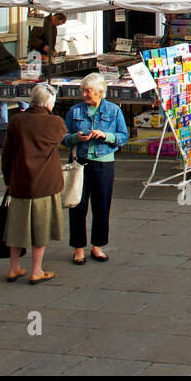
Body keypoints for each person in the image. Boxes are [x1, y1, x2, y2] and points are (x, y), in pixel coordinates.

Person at [0, 83, 66, 284]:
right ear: (48, 102)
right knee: (41, 227)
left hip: (19, 182)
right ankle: (36, 270)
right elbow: (62, 139)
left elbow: (7, 154)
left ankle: (14, 268)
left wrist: (7, 180)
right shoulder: (55, 122)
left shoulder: (17, 121)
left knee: (16, 227)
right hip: (45, 183)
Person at [62, 72, 126, 263]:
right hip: (80, 162)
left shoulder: (114, 110)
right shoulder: (75, 111)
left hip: (104, 163)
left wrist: (106, 136)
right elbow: (64, 137)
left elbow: (123, 135)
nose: (84, 95)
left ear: (100, 91)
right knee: (77, 206)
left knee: (102, 206)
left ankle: (97, 246)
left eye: (88, 91)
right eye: (83, 91)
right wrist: (76, 138)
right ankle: (78, 248)